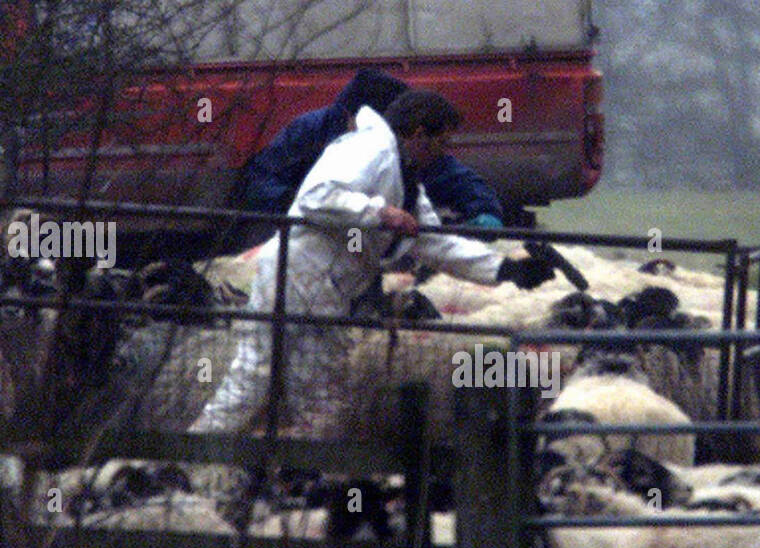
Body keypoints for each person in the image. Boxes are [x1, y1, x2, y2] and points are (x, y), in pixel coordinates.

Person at [190, 90, 551, 434]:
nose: (442, 155)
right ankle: (195, 453)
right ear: (419, 134)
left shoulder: (406, 177)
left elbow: (431, 240)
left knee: (319, 393)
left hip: (325, 288)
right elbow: (317, 195)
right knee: (256, 374)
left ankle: (303, 472)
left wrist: (505, 269)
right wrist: (378, 214)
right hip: (297, 274)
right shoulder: (370, 149)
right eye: (441, 143)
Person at [242, 68, 505, 233]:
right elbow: (263, 181)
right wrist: (288, 202)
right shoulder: (312, 132)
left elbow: (450, 176)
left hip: (364, 246)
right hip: (297, 236)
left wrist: (484, 210)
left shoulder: (402, 151)